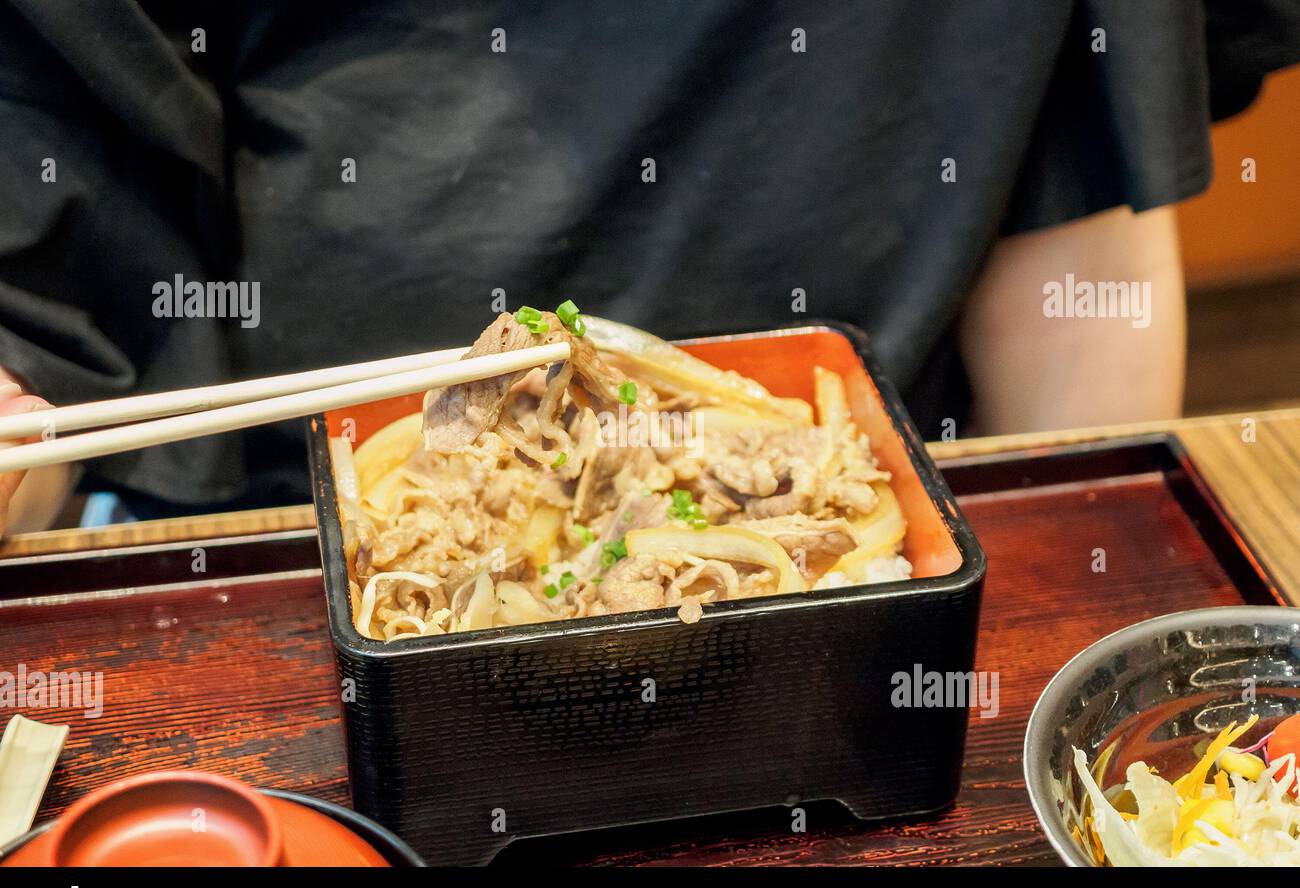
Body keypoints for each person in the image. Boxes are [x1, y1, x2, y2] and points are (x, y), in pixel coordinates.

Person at [1, 1, 1298, 536]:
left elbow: (1081, 214)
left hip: (861, 529)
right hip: (304, 543)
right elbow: (61, 293)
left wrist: (1063, 633)